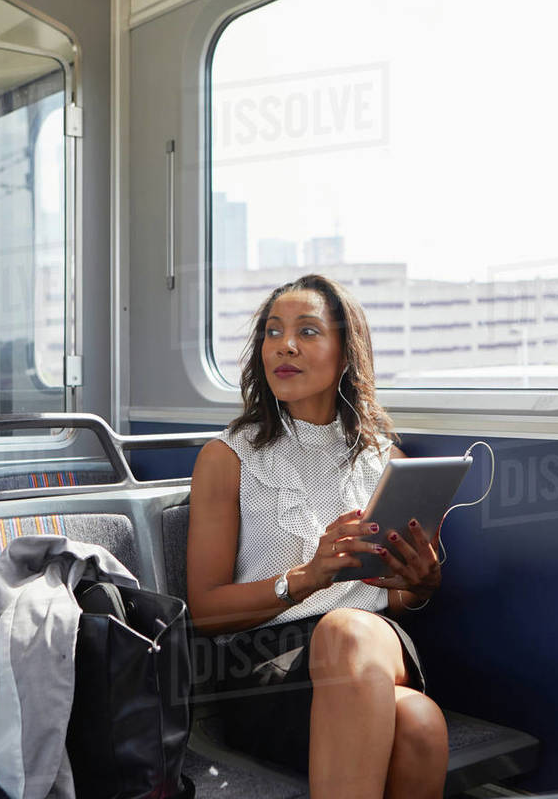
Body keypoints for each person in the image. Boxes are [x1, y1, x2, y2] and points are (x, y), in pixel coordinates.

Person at [187, 274, 448, 799]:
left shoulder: (384, 460)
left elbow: (397, 598)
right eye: (273, 332)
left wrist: (420, 584)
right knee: (418, 722)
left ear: (345, 354)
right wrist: (306, 579)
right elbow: (206, 611)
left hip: (373, 649)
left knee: (355, 633)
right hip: (268, 666)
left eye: (307, 332)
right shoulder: (228, 458)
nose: (285, 345)